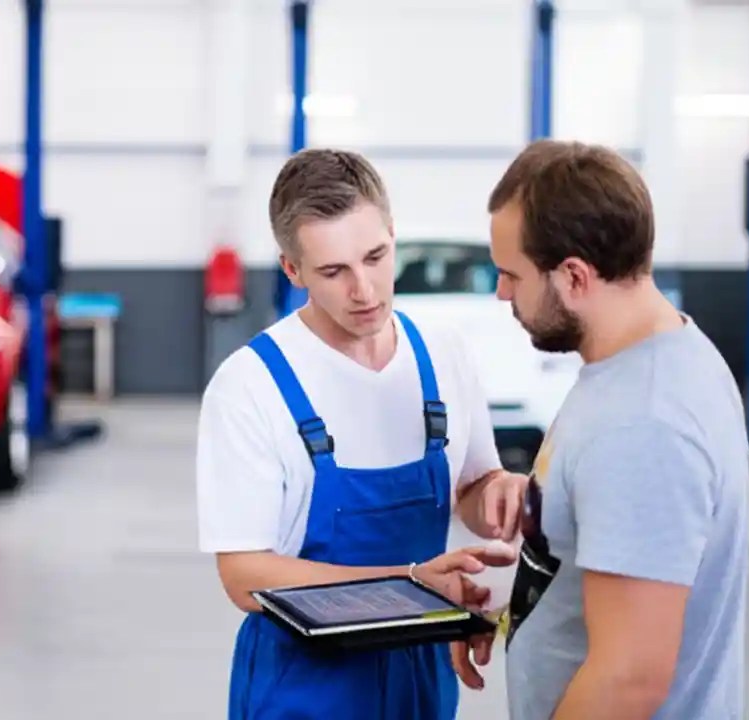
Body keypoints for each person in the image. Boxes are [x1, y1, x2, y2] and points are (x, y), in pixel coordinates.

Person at [196, 147, 516, 720]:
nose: (364, 290)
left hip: (422, 670)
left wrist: (495, 495)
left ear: (394, 234)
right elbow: (244, 577)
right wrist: (412, 582)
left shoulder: (443, 355)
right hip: (305, 684)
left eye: (376, 257)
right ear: (292, 270)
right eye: (333, 271)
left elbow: (472, 487)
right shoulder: (251, 385)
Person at [451, 139, 749, 719]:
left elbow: (628, 679)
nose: (501, 292)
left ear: (574, 277)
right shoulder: (653, 354)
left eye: (512, 275)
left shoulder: (642, 424)